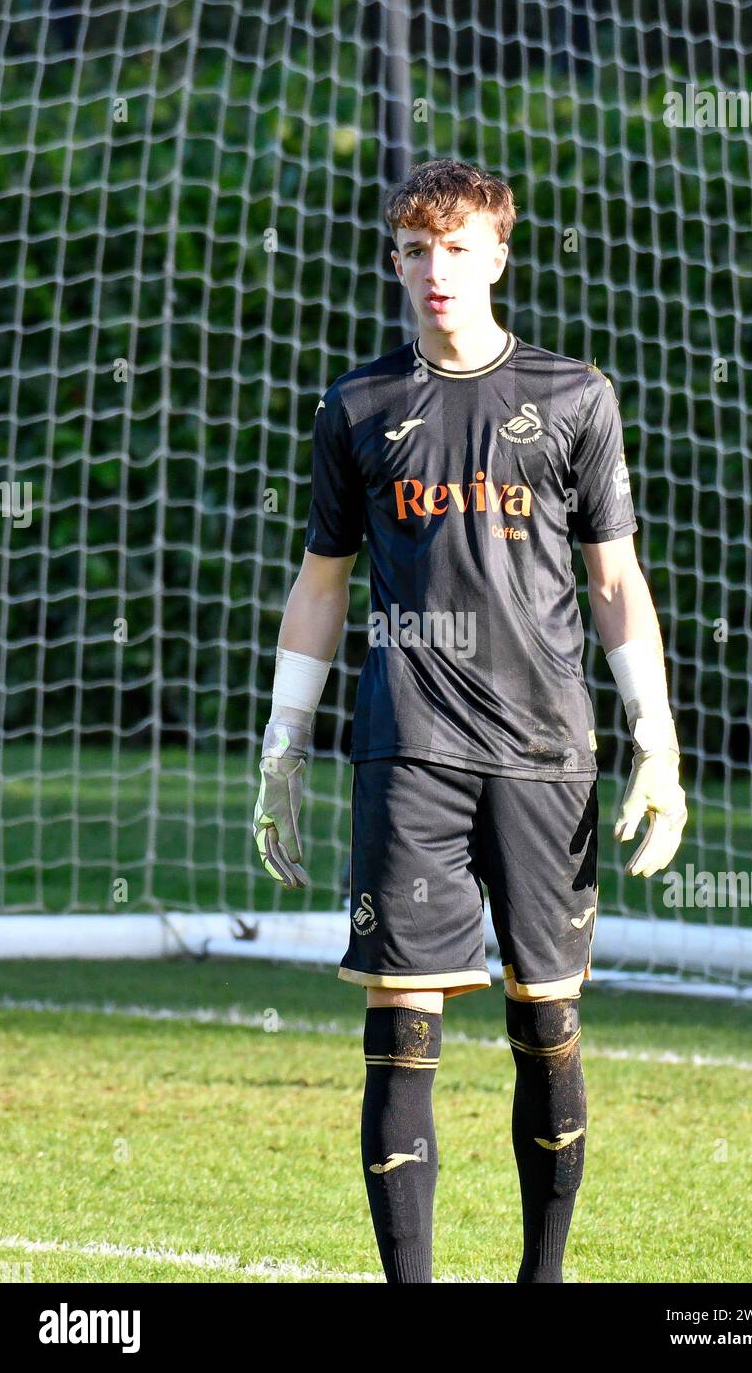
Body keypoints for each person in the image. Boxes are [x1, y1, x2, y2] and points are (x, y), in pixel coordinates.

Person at [252, 157, 687, 1284]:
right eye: (413, 248)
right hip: (408, 751)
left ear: (497, 255)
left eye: (455, 248)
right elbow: (322, 582)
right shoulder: (356, 405)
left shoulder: (576, 397)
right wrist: (281, 742)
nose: (434, 270)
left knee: (544, 1020)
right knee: (400, 1027)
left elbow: (611, 581)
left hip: (546, 755)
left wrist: (657, 740)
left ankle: (540, 1280)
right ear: (392, 261)